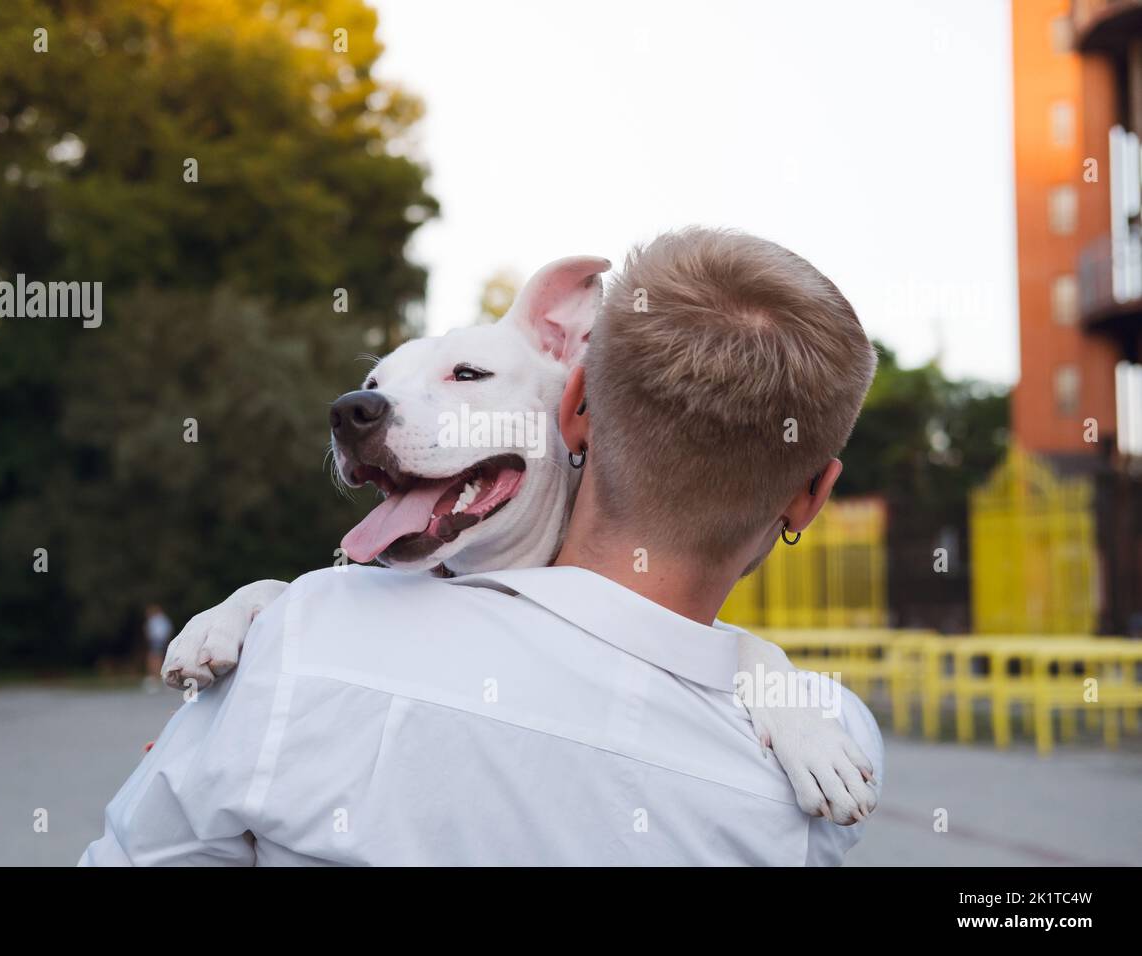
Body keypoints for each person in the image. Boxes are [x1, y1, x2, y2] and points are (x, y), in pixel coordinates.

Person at [82, 227, 883, 866]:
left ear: (570, 400)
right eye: (380, 387)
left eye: (465, 375)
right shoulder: (825, 744)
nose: (376, 406)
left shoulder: (307, 640)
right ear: (811, 495)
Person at [142, 605, 172, 692]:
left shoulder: (159, 620)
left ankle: (158, 680)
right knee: (155, 660)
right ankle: (158, 680)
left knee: (155, 660)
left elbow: (163, 631)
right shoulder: (156, 620)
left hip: (158, 642)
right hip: (156, 642)